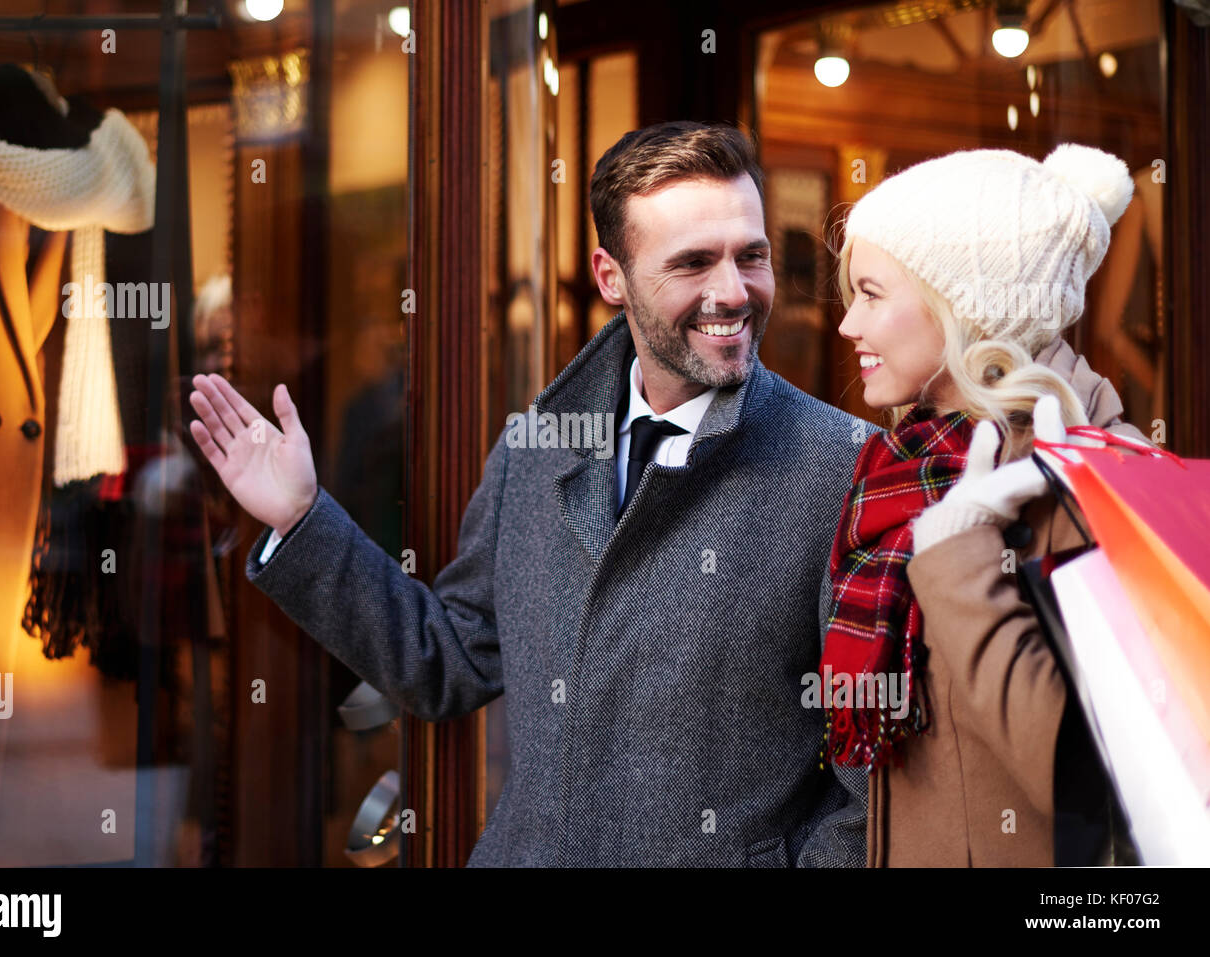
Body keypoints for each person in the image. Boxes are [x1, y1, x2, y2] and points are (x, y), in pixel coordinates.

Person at [188, 121, 874, 866]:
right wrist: (300, 519)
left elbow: (868, 796)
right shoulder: (535, 449)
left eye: (752, 255)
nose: (733, 292)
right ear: (611, 276)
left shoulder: (843, 469)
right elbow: (445, 660)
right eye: (694, 263)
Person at [821, 142, 1148, 866]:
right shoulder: (900, 468)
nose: (848, 324)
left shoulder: (1094, 478)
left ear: (965, 306)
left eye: (872, 293)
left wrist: (959, 553)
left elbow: (1083, 777)